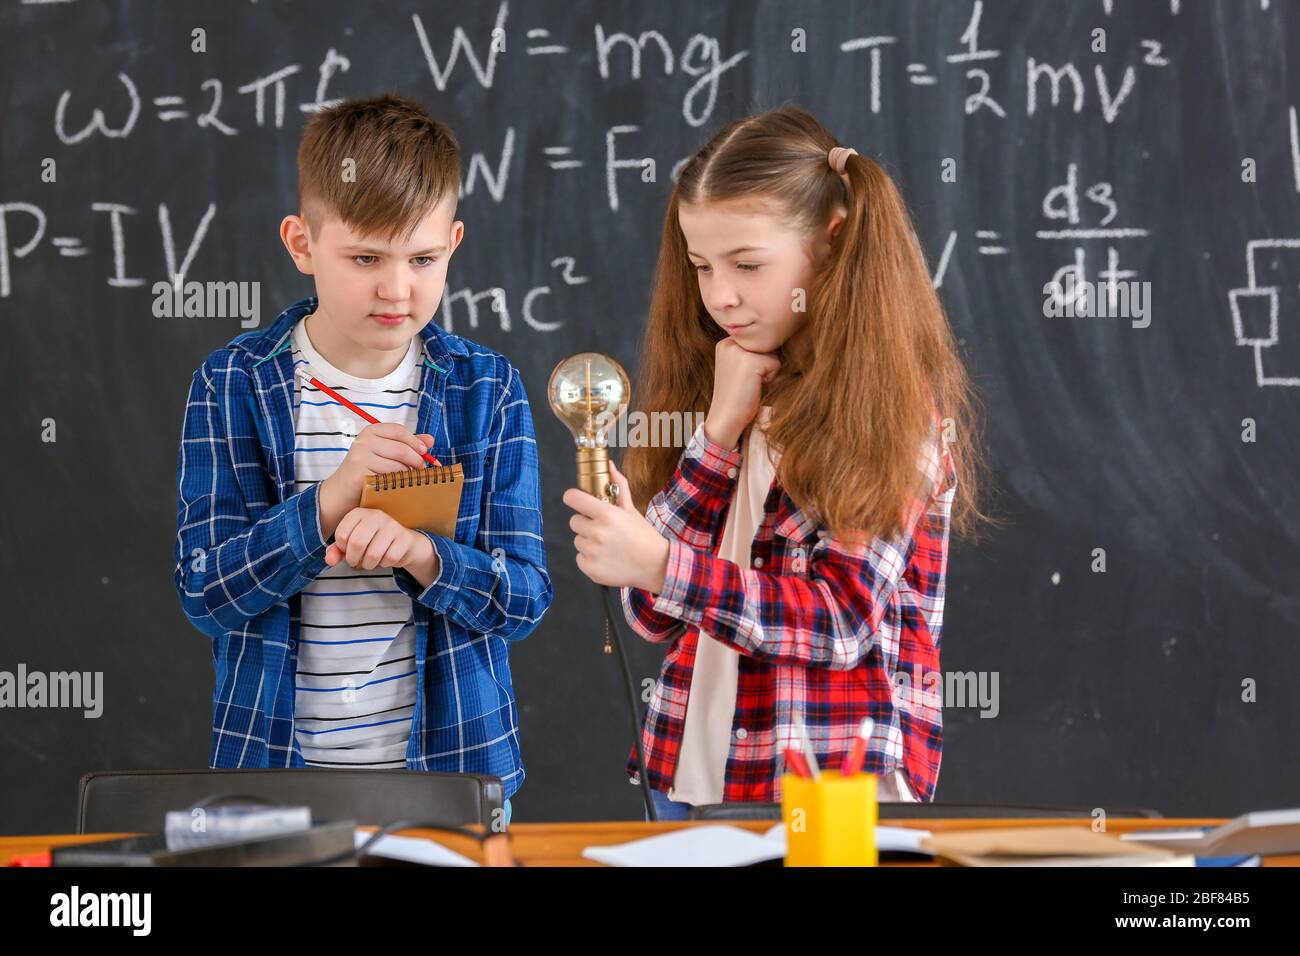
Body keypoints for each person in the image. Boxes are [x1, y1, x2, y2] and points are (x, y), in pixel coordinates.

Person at [562, 105, 989, 820]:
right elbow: (649, 615)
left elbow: (841, 620)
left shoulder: (889, 409)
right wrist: (718, 434)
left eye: (748, 264)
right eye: (702, 267)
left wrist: (661, 564)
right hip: (688, 777)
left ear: (832, 238)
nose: (720, 295)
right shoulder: (724, 387)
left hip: (825, 784)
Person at [174, 94, 554, 827]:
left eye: (423, 259)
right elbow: (204, 592)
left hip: (453, 776)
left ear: (454, 243)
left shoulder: (487, 389)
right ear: (302, 244)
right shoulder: (232, 383)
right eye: (366, 258)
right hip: (276, 778)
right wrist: (329, 502)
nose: (397, 288)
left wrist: (421, 554)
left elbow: (525, 598)